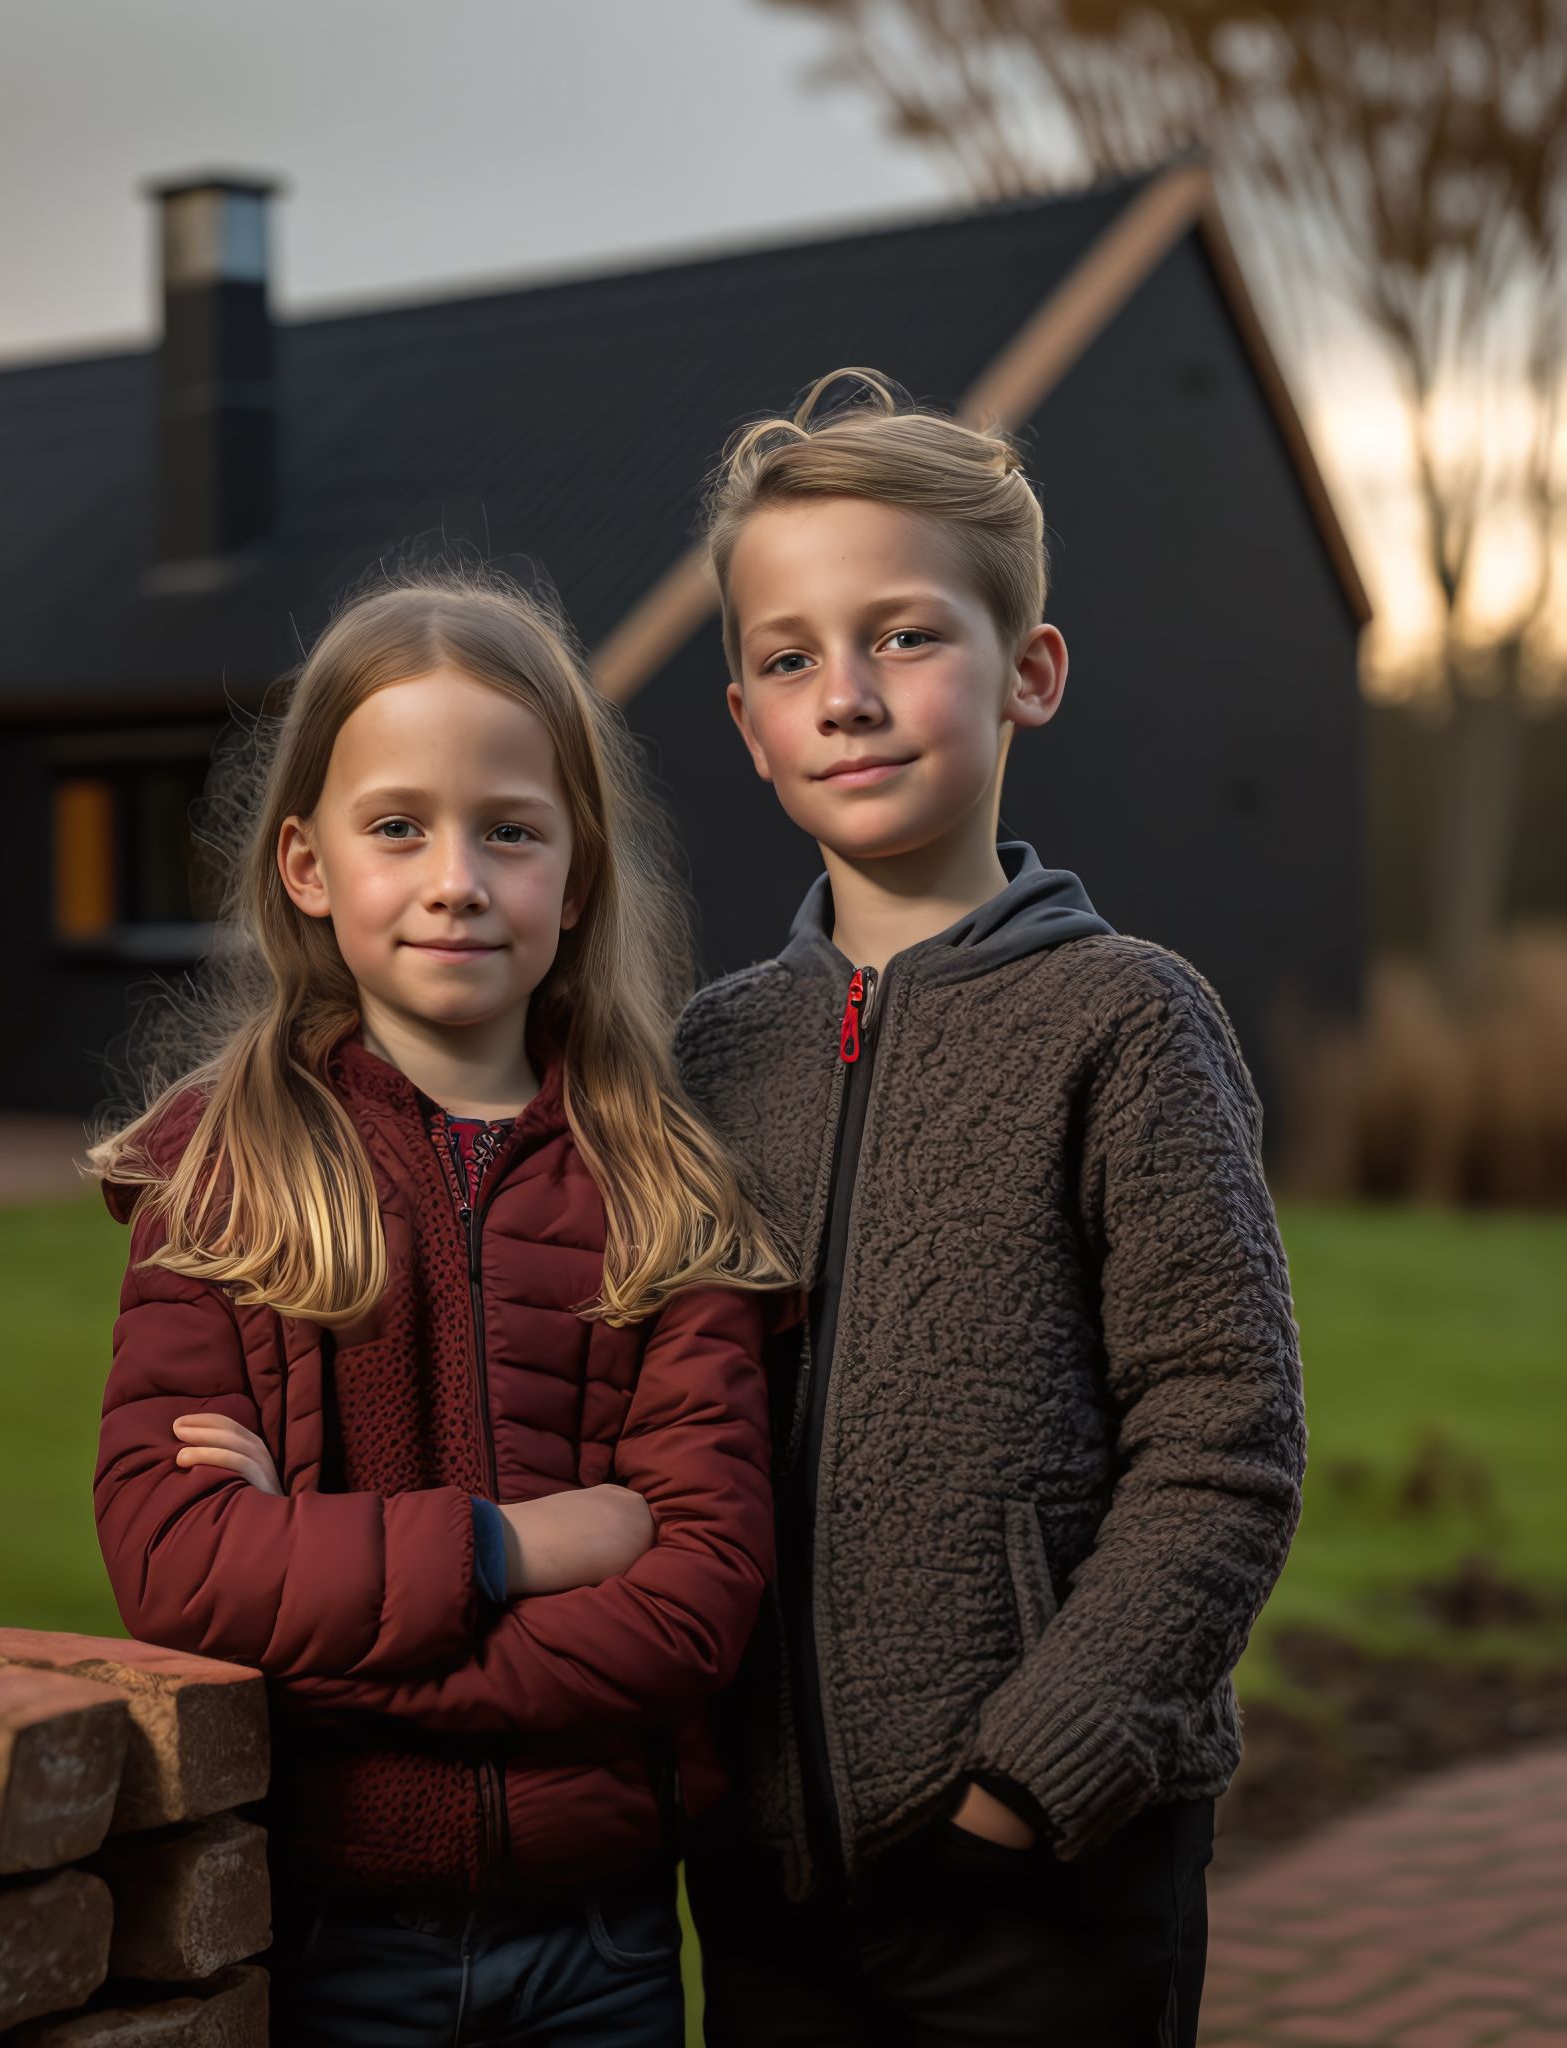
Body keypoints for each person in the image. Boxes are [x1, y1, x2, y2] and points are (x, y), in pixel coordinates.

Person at [672, 369, 1308, 2047]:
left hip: (1046, 1873)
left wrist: (1028, 1783)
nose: (848, 696)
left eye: (904, 637)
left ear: (1029, 672)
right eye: (792, 656)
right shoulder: (710, 1048)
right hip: (760, 1872)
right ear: (745, 722)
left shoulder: (1128, 1020)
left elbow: (1226, 1448)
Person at [90, 564, 788, 2046]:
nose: (456, 876)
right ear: (306, 864)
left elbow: (697, 1605)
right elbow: (178, 1568)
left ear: (578, 877)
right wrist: (508, 1548)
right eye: (397, 826)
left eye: (511, 831)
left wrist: (328, 1644)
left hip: (604, 1945)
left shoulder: (670, 1190)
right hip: (339, 1935)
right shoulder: (222, 1180)